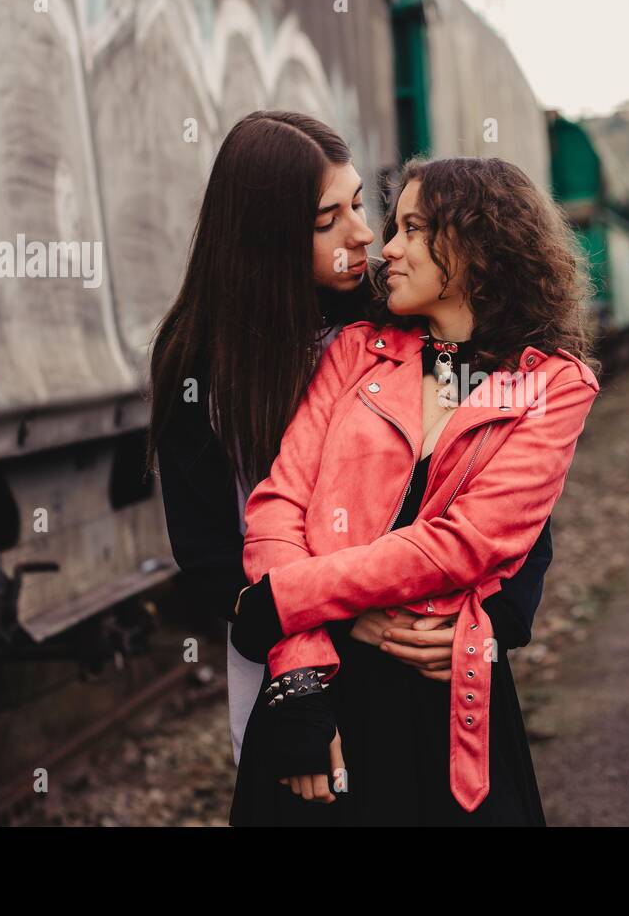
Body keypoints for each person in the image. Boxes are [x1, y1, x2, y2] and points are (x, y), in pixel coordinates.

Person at [146, 112, 554, 774]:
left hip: (423, 656)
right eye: (326, 219)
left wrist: (496, 622)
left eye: (361, 204)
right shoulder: (199, 361)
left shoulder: (397, 318)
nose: (365, 234)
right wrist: (339, 618)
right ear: (266, 236)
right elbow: (208, 555)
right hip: (287, 661)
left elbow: (509, 491)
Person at [229, 156, 600, 825]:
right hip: (323, 690)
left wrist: (287, 599)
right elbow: (279, 506)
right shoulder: (355, 352)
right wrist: (302, 674)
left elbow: (464, 543)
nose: (387, 248)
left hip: (439, 709)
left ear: (478, 247)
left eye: (413, 229)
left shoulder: (553, 385)